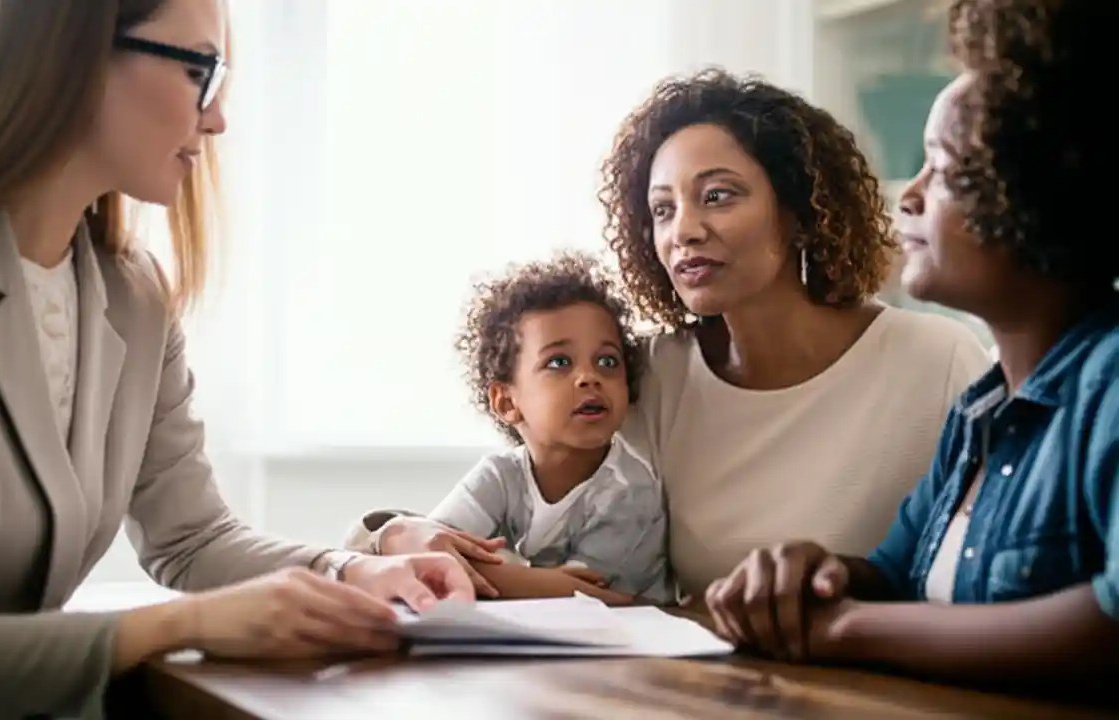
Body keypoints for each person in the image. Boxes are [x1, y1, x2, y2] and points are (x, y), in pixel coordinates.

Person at [0, 2, 470, 719]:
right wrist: (188, 623)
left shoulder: (131, 294)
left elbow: (193, 536)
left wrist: (351, 571)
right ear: (69, 57)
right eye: (200, 69)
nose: (218, 116)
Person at [346, 69, 989, 602]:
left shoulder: (934, 361)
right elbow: (515, 490)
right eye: (662, 209)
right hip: (696, 685)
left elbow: (977, 582)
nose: (683, 230)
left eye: (716, 196)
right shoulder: (653, 374)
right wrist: (391, 534)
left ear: (797, 211)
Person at [704, 0, 1119, 690]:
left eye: (944, 167)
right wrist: (817, 575)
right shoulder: (977, 415)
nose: (911, 195)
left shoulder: (1110, 384)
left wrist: (844, 630)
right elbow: (896, 576)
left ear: (1041, 194)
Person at [426, 253, 671, 604]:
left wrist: (473, 570)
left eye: (607, 362)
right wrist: (537, 581)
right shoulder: (500, 477)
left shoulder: (628, 491)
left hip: (633, 646)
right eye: (559, 362)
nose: (589, 377)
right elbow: (430, 553)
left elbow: (588, 599)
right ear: (507, 402)